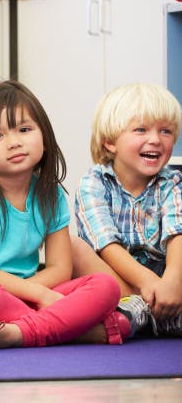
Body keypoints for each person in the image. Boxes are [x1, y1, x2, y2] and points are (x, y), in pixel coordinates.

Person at [0, 80, 132, 350]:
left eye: (24, 129)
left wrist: (33, 292)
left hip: (32, 294)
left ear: (43, 135)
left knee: (106, 286)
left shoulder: (50, 194)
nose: (14, 142)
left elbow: (60, 268)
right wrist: (38, 294)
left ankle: (20, 333)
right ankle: (74, 331)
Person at [73, 82, 182, 337]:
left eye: (165, 131)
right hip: (122, 284)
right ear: (110, 142)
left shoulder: (172, 183)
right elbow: (106, 245)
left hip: (168, 284)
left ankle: (145, 316)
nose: (155, 139)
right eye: (141, 130)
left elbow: (177, 233)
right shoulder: (93, 183)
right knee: (73, 248)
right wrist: (151, 287)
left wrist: (173, 282)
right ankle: (150, 312)